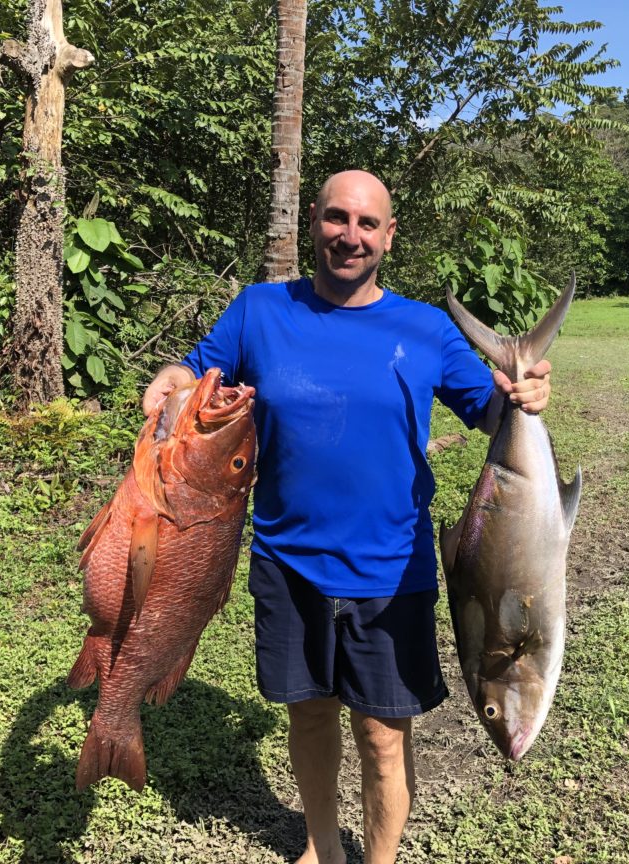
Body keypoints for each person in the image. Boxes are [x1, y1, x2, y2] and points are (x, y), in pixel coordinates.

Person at [142, 170, 552, 864]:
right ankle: (324, 848)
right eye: (337, 219)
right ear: (313, 222)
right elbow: (195, 370)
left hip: (392, 570)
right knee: (308, 716)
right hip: (286, 561)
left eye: (367, 224)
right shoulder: (259, 311)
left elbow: (490, 410)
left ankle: (380, 859)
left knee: (383, 735)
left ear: (389, 236)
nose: (350, 236)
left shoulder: (424, 327)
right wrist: (172, 383)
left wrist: (525, 393)